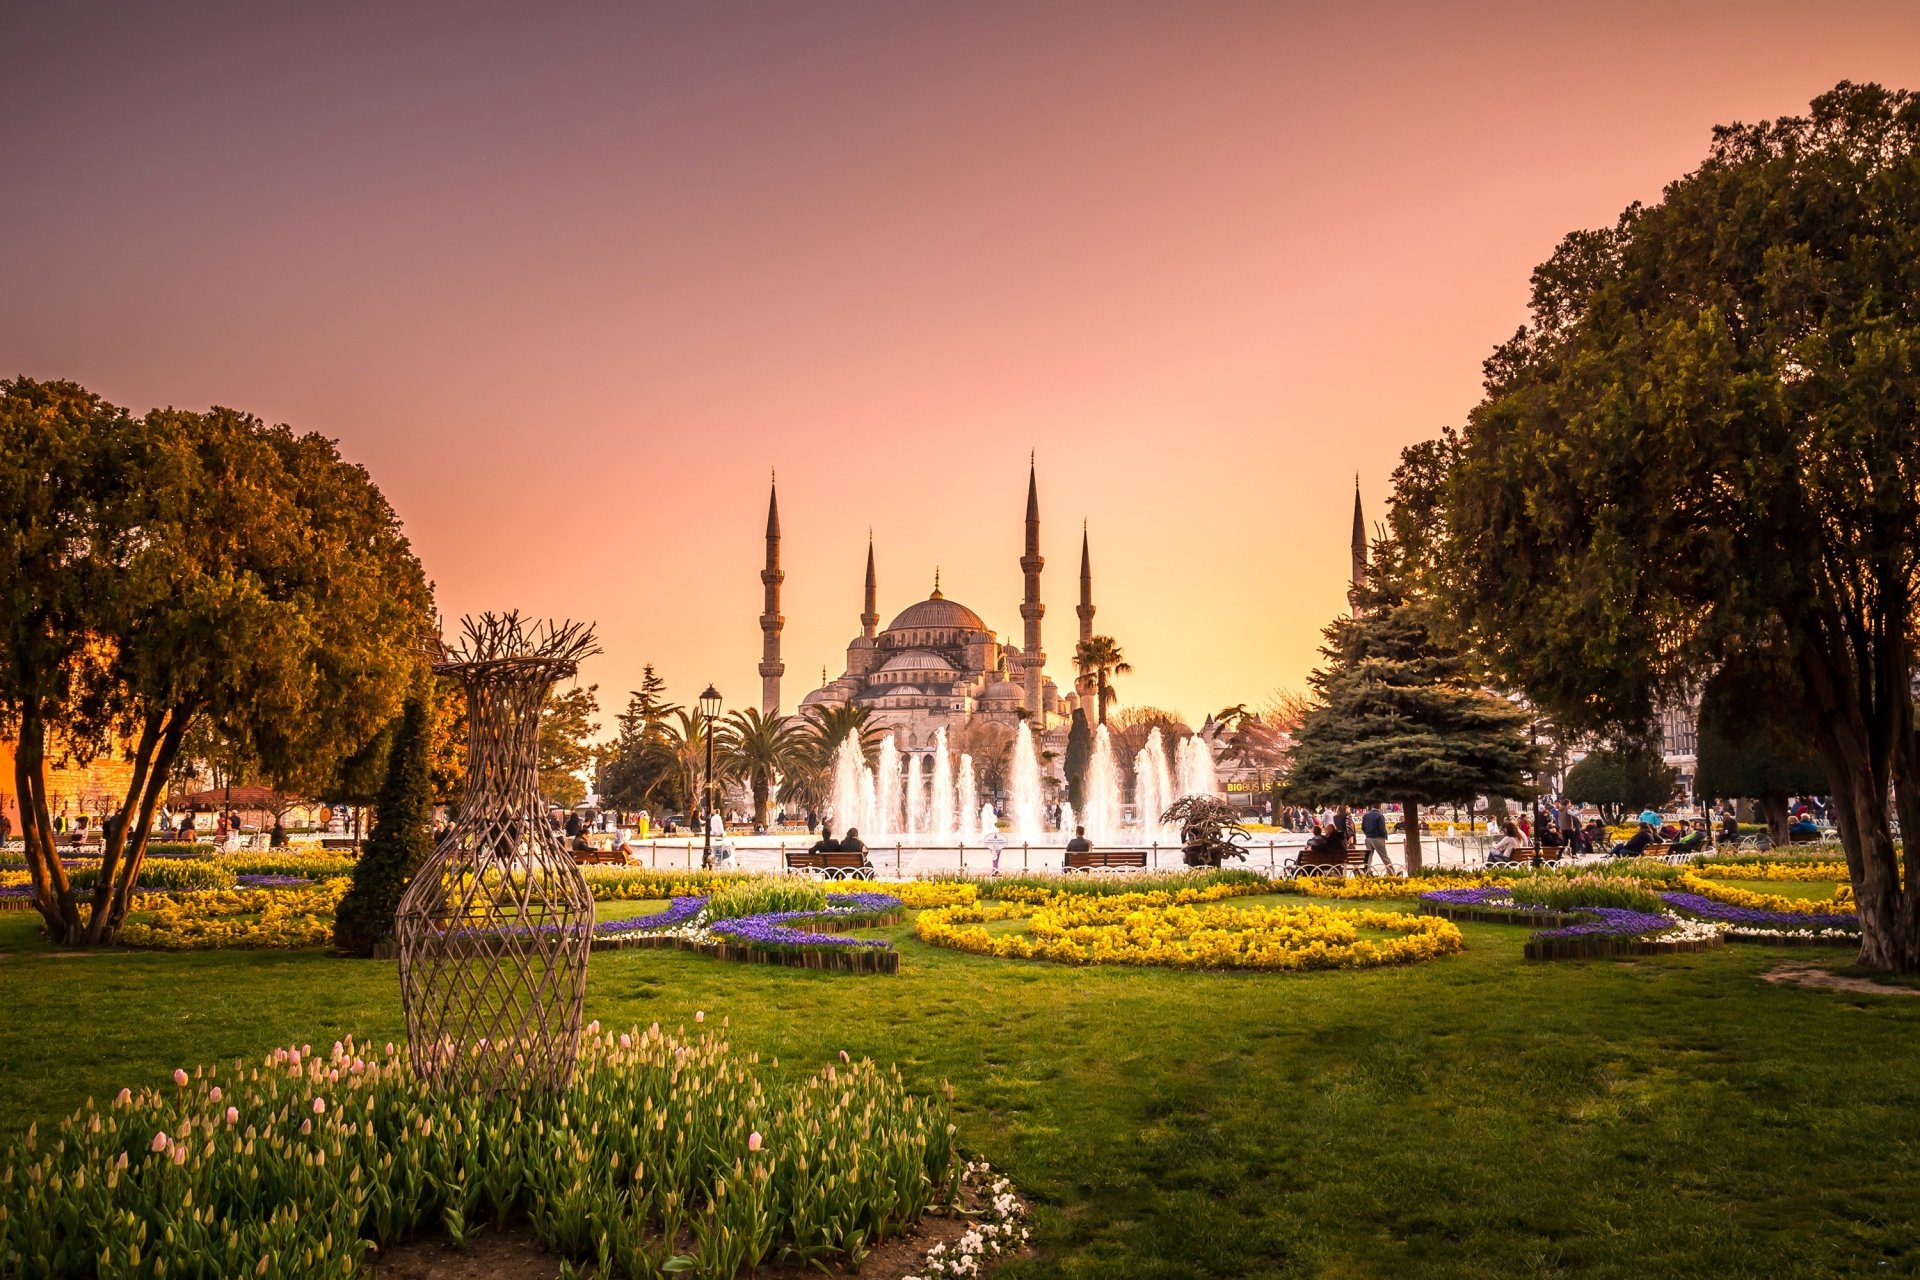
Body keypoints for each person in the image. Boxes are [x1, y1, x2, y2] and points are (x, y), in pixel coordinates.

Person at [1360, 803, 1393, 874]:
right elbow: (1382, 828)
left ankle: (1368, 872)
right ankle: (1391, 872)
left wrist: (1367, 834)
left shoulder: (1366, 815)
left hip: (1368, 838)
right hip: (1378, 838)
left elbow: (1362, 827)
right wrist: (1384, 836)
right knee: (1384, 856)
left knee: (1369, 856)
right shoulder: (1379, 815)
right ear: (1380, 806)